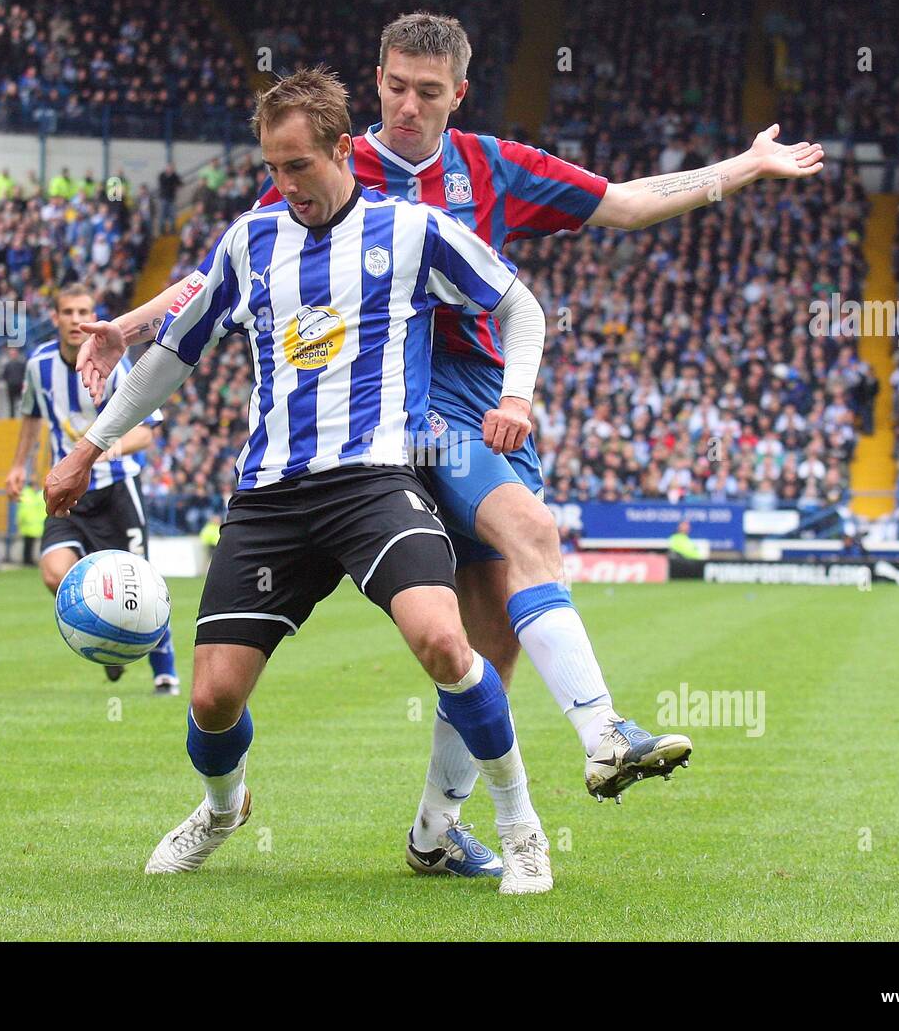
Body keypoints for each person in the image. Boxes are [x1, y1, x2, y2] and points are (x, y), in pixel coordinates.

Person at [75, 13, 818, 866]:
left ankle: (435, 832)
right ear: (378, 77)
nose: (405, 107)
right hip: (409, 405)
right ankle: (604, 730)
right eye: (393, 86)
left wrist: (745, 168)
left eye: (427, 92)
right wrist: (131, 327)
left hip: (485, 394)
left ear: (457, 95)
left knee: (491, 633)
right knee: (529, 535)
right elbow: (234, 267)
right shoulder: (330, 160)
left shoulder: (493, 166)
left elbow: (623, 203)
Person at [45, 68, 554, 893]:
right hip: (273, 496)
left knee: (445, 642)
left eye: (299, 168)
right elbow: (174, 354)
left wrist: (516, 393)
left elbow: (519, 307)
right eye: (273, 169)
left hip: (377, 482)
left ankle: (521, 828)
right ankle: (221, 807)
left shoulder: (412, 229)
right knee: (211, 699)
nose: (286, 186)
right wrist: (88, 448)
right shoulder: (251, 240)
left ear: (341, 150)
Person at [6, 284, 179, 695]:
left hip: (117, 489)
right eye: (67, 311)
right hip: (70, 494)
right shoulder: (39, 365)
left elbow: (149, 431)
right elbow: (32, 416)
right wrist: (18, 465)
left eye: (82, 310)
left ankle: (165, 670)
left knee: (143, 582)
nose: (73, 319)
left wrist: (103, 450)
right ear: (56, 318)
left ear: (92, 315)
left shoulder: (116, 364)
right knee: (54, 574)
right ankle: (107, 641)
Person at [16, 482, 46, 565]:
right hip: (29, 525)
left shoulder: (31, 495)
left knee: (30, 544)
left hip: (33, 525)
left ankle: (29, 560)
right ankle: (27, 560)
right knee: (28, 544)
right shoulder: (29, 495)